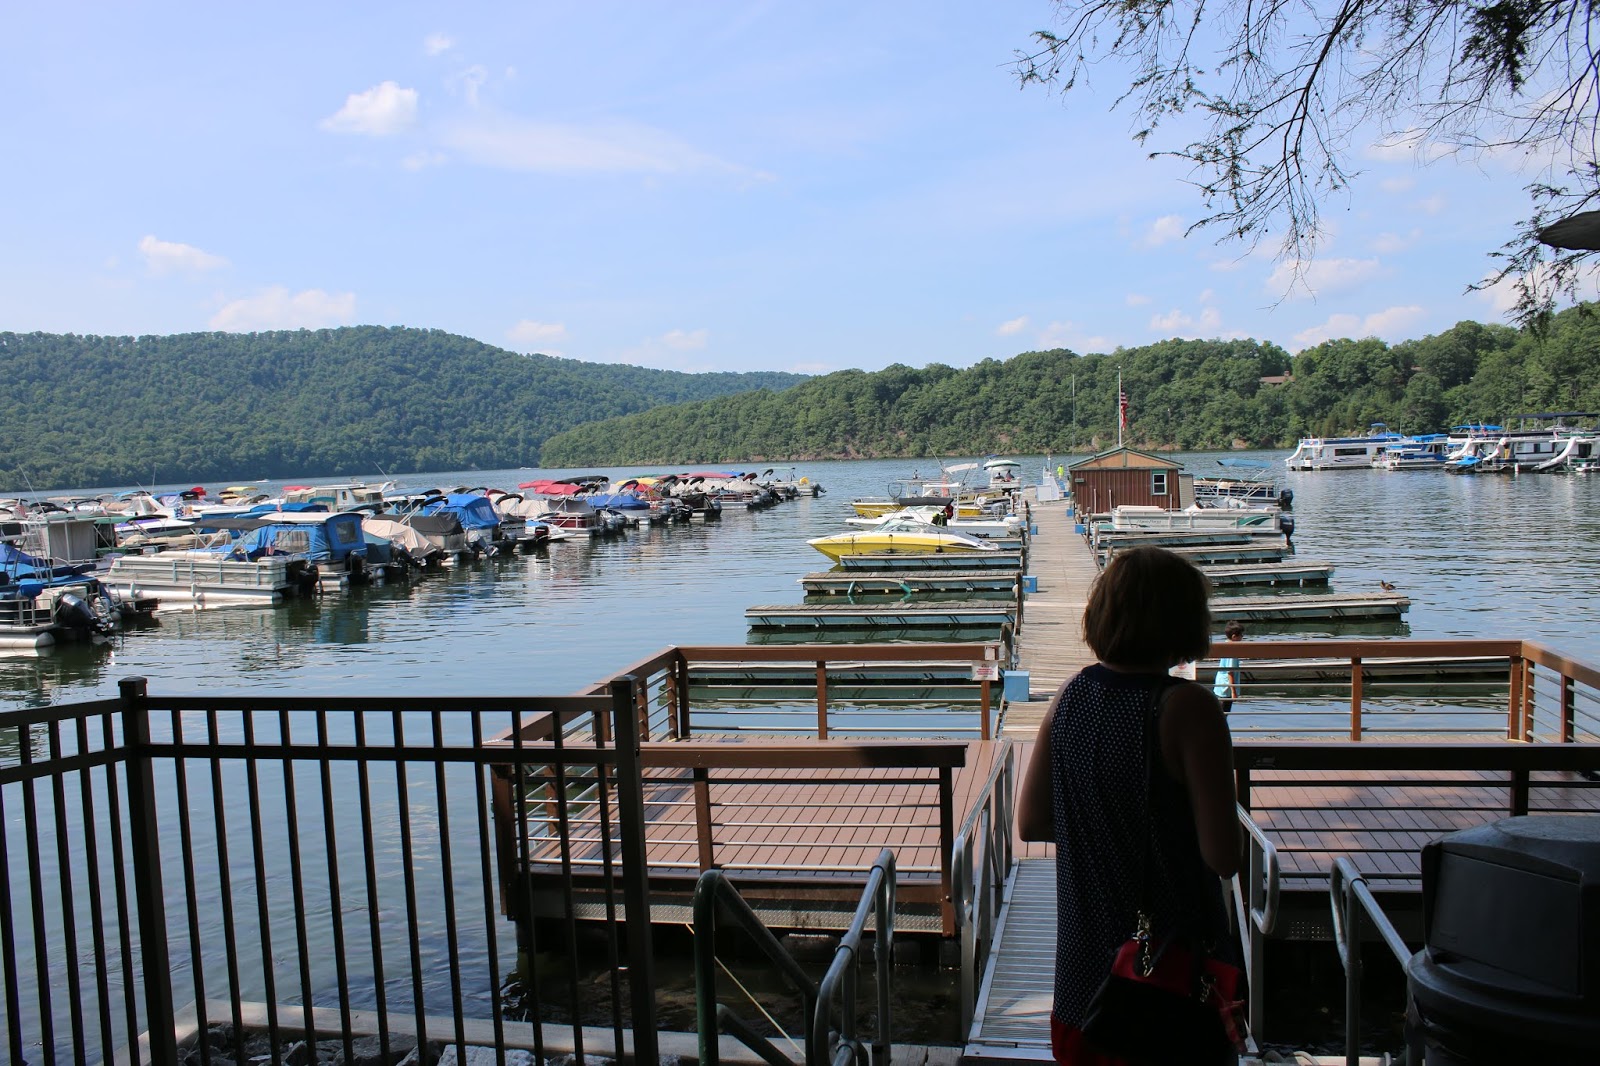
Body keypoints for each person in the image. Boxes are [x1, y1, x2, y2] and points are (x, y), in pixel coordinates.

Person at [1017, 545, 1240, 1065]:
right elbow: (1223, 856)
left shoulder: (1070, 695)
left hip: (1084, 984)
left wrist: (1104, 823)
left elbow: (1030, 823)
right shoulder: (1188, 708)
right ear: (1183, 619)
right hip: (1171, 980)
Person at [1214, 620, 1245, 714]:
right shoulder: (1232, 651)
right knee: (1224, 713)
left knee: (1220, 713)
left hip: (1220, 686)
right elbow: (1230, 672)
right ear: (1234, 637)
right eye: (1241, 635)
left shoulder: (1225, 645)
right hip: (1226, 689)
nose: (1242, 637)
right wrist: (1233, 692)